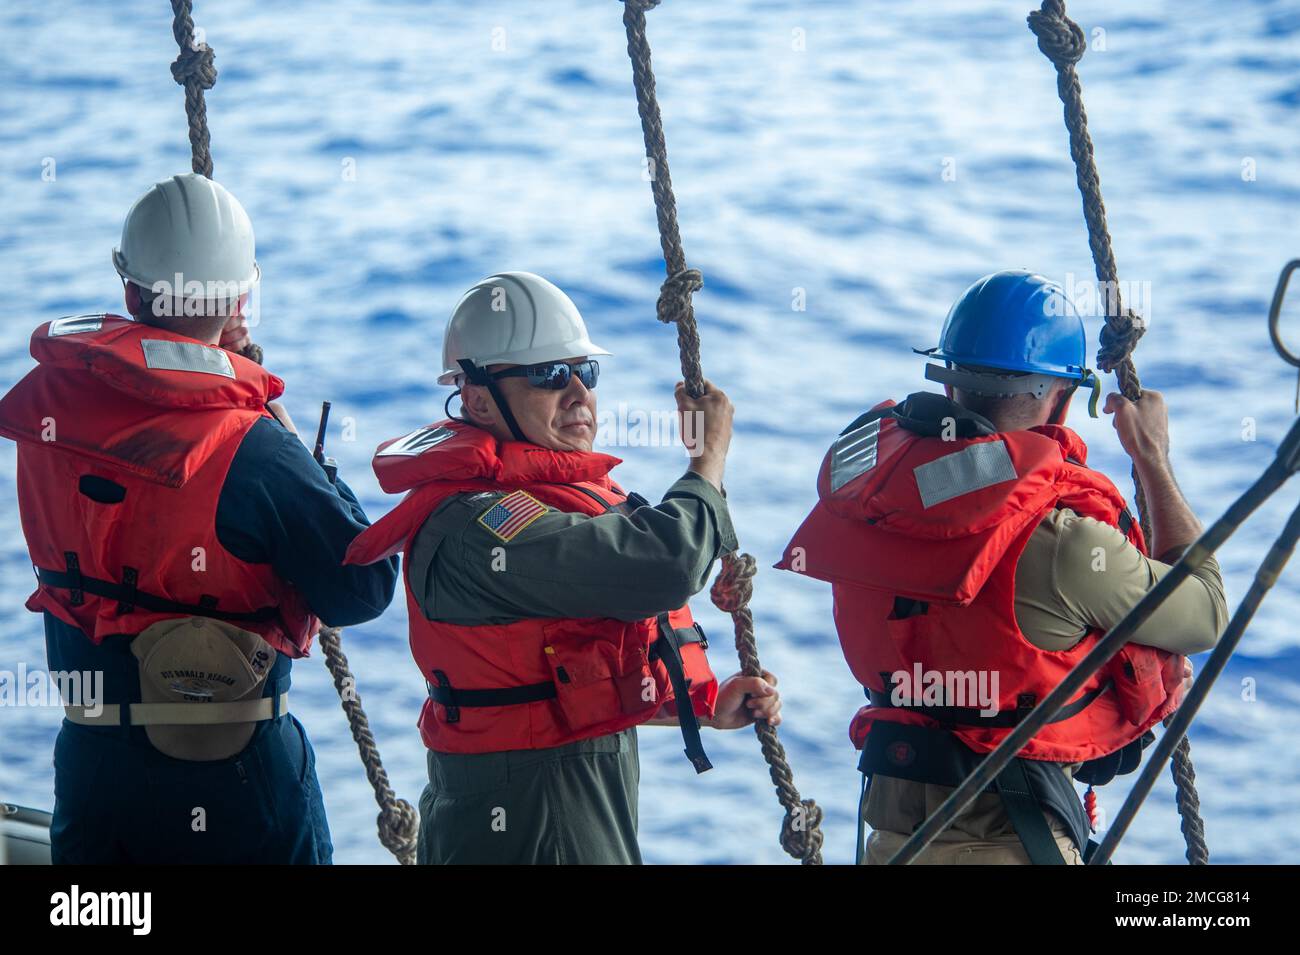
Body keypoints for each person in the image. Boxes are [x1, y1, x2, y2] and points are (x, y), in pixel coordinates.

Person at [0, 173, 398, 864]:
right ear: (240, 298)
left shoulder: (48, 414)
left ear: (129, 289)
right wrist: (287, 435)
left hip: (94, 773)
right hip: (236, 783)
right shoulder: (258, 449)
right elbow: (363, 587)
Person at [778, 270, 1228, 864]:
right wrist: (1153, 458)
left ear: (947, 385)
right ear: (1062, 397)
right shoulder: (1068, 545)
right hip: (1018, 844)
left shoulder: (872, 511)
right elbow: (1206, 612)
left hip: (890, 842)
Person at [344, 270, 781, 864]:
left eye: (587, 372)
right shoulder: (481, 527)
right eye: (550, 375)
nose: (578, 392)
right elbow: (664, 564)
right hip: (536, 824)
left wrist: (697, 706)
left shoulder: (537, 505)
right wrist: (708, 459)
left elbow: (548, 685)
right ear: (476, 399)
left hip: (556, 810)